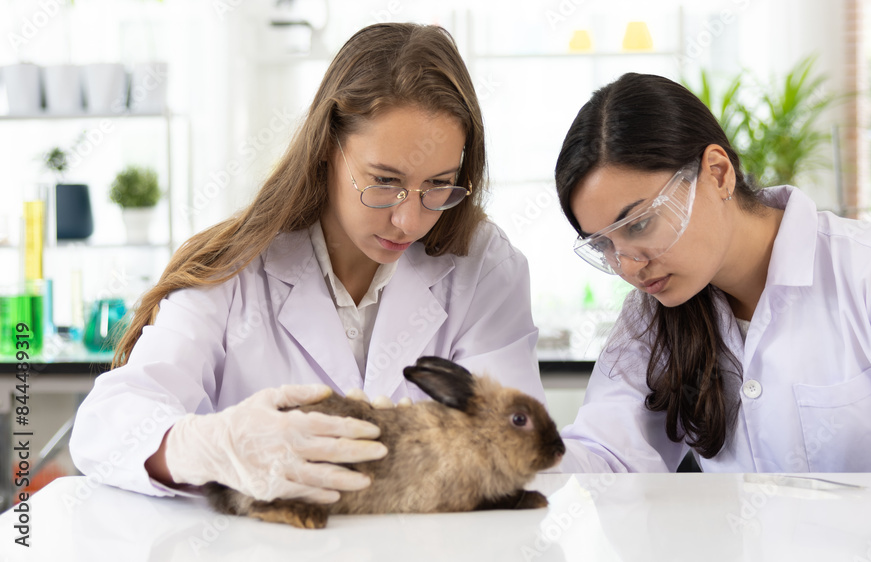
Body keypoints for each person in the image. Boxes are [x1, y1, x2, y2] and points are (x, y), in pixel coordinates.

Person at [69, 23, 544, 503]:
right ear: (325, 149)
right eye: (384, 180)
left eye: (439, 184)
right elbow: (109, 423)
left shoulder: (483, 264)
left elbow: (517, 446)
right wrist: (213, 447)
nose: (409, 219)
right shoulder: (237, 267)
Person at [554, 72, 871, 473]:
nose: (629, 265)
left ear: (717, 173)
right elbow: (606, 457)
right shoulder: (653, 315)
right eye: (604, 245)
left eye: (639, 224)